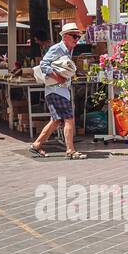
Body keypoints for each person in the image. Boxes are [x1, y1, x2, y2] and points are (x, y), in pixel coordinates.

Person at [31, 22, 83, 159]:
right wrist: (57, 77)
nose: (77, 39)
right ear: (65, 36)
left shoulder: (68, 49)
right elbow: (43, 64)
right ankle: (70, 150)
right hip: (56, 89)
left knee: (56, 120)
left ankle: (37, 144)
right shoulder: (57, 48)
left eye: (78, 36)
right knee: (69, 119)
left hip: (58, 90)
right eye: (74, 36)